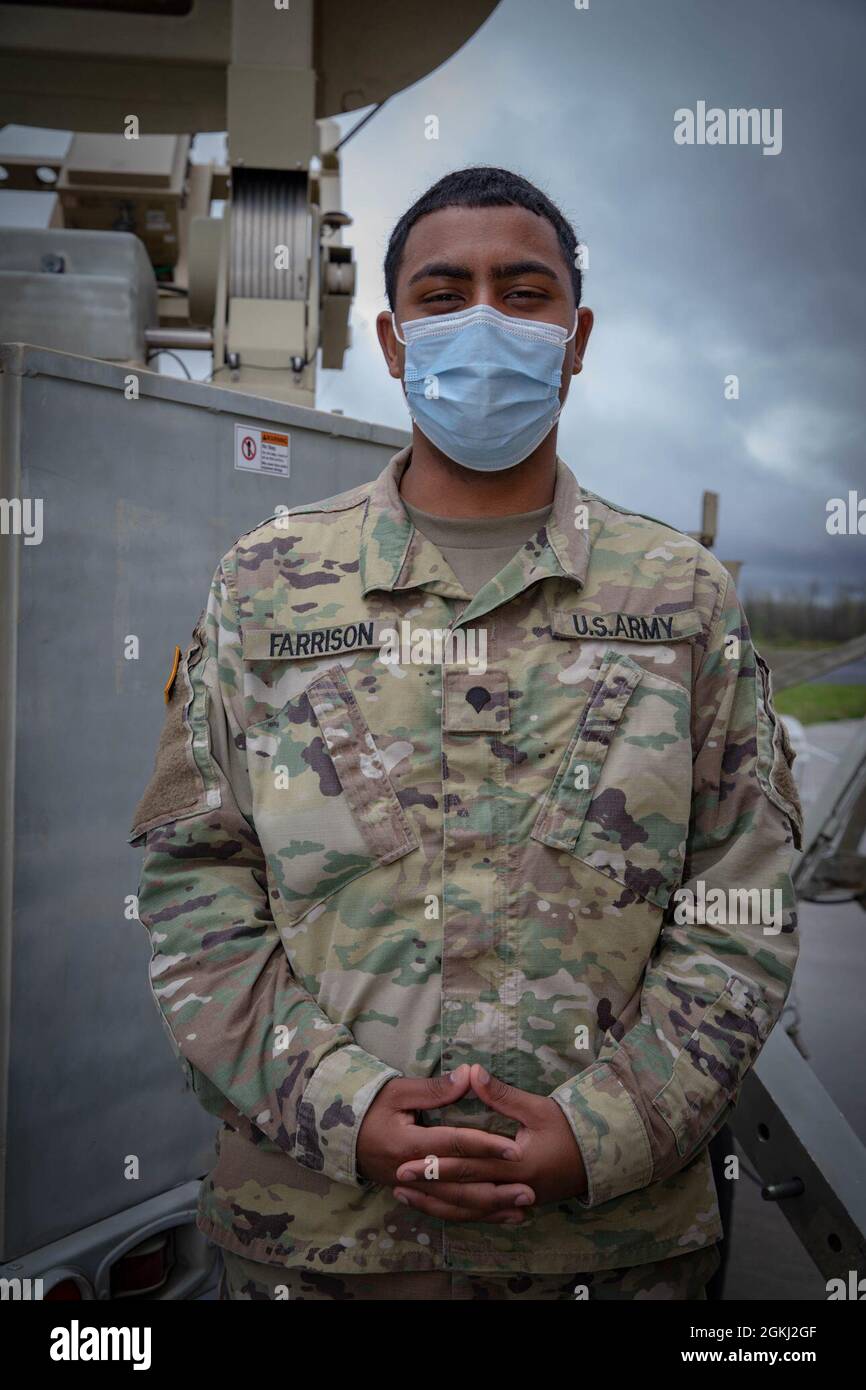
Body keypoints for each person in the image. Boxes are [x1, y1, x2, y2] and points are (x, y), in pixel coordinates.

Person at [129, 166, 804, 1302]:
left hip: (611, 1252)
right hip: (317, 1244)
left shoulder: (683, 600)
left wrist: (603, 1130)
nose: (483, 319)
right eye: (442, 296)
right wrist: (341, 1107)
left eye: (522, 290)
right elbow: (197, 889)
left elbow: (741, 902)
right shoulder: (265, 586)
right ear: (392, 342)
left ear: (574, 335)